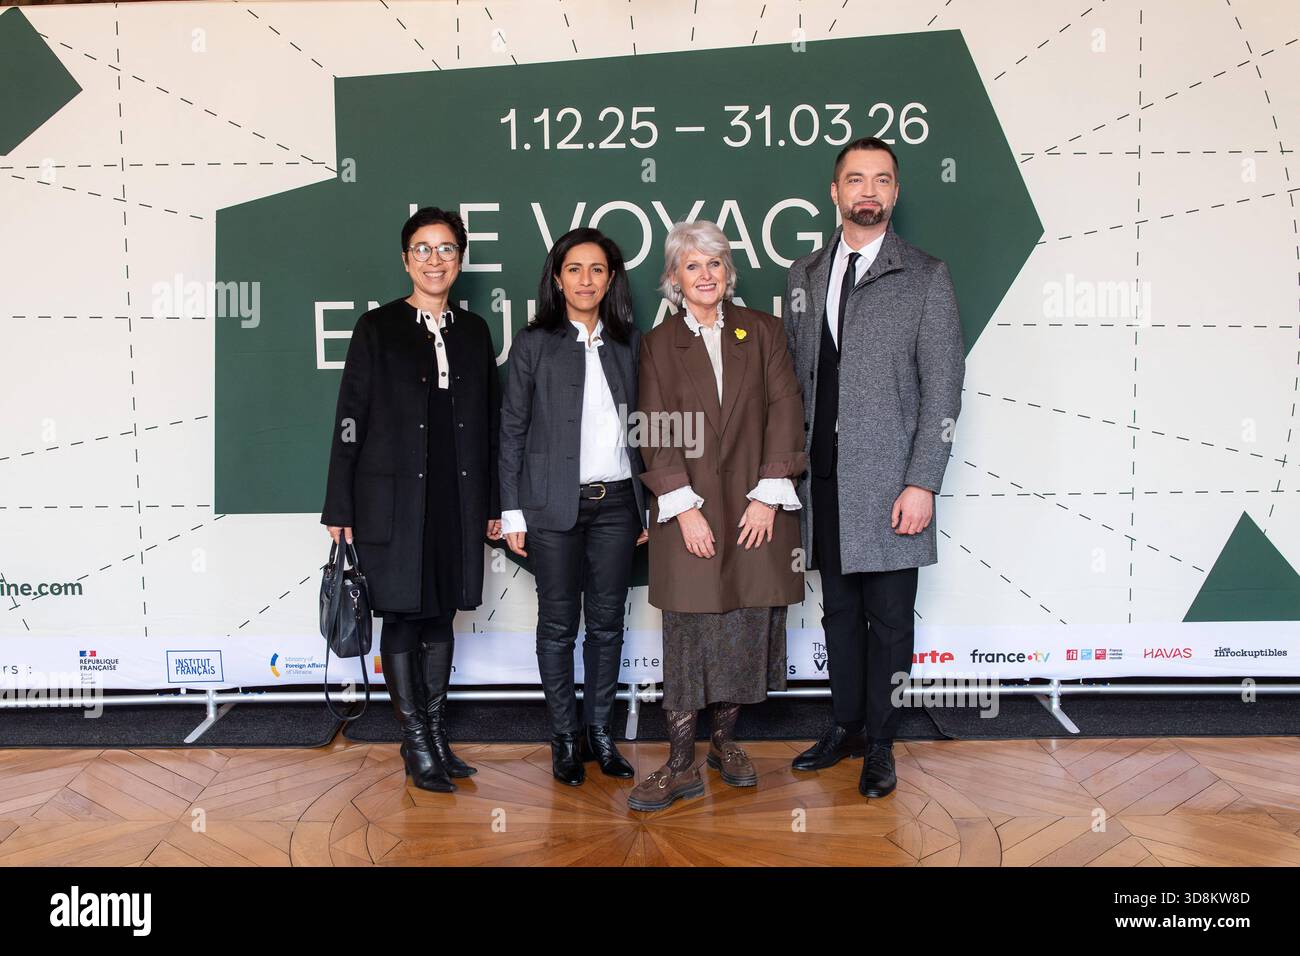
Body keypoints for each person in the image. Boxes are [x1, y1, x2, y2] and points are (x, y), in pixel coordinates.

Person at [783, 137, 965, 798]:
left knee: (890, 619)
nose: (868, 191)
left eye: (881, 180)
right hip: (822, 480)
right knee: (838, 614)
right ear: (834, 193)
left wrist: (923, 483)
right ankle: (845, 726)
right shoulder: (802, 278)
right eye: (855, 180)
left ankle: (882, 744)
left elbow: (943, 389)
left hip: (892, 484)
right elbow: (794, 383)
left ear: (895, 193)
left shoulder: (925, 275)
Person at [627, 220, 807, 813]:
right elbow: (654, 430)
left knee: (741, 633)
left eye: (715, 264)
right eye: (692, 266)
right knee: (688, 644)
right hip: (691, 516)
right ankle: (680, 765)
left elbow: (785, 410)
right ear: (674, 279)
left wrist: (768, 492)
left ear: (729, 273)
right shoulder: (656, 345)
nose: (705, 275)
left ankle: (724, 747)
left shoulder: (764, 331)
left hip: (758, 511)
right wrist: (682, 509)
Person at [322, 206, 503, 793]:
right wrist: (339, 507)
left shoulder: (474, 332)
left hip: (457, 497)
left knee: (443, 611)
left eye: (446, 249)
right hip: (392, 501)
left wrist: (496, 502)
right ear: (406, 260)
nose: (435, 260)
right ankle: (415, 743)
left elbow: (491, 424)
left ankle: (436, 734)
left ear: (460, 259)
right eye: (423, 249)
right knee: (404, 613)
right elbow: (350, 419)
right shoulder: (376, 328)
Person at [499, 227, 648, 786]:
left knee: (608, 626)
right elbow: (512, 430)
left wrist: (649, 504)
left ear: (611, 279)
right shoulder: (534, 343)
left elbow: (651, 429)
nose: (586, 280)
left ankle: (602, 735)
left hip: (617, 507)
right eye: (574, 269)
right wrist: (512, 511)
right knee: (559, 626)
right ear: (557, 279)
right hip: (550, 509)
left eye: (597, 270)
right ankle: (565, 739)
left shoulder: (632, 342)